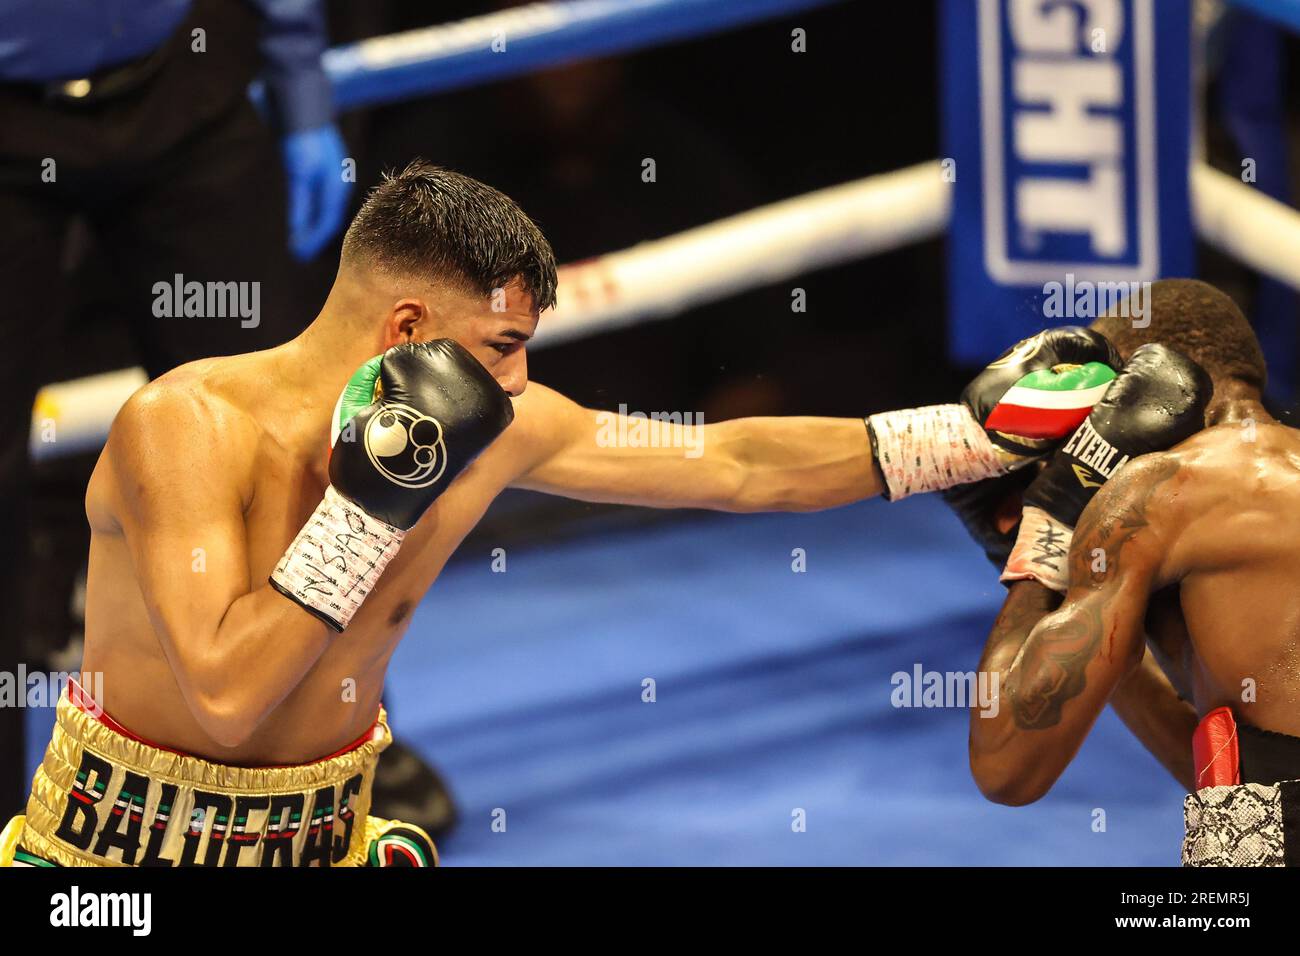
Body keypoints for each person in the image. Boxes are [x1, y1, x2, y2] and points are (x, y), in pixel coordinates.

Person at [0, 163, 1130, 867]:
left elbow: (733, 464)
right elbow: (232, 695)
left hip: (327, 836)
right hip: (122, 861)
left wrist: (978, 433)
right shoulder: (187, 427)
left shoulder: (504, 420)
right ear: (406, 333)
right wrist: (372, 506)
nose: (519, 382)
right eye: (500, 347)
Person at [966, 279, 1300, 867]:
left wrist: (1043, 544)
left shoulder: (1159, 491)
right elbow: (1245, 792)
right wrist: (1082, 580)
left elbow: (1006, 766)